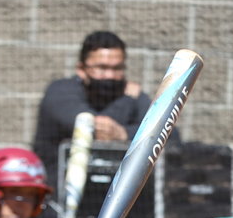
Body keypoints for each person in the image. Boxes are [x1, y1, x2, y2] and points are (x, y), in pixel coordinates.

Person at [32, 32, 155, 171]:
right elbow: (93, 129)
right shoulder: (60, 91)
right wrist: (127, 102)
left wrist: (123, 133)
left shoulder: (130, 93)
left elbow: (166, 131)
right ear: (81, 69)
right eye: (101, 68)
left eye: (117, 68)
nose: (110, 75)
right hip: (59, 185)